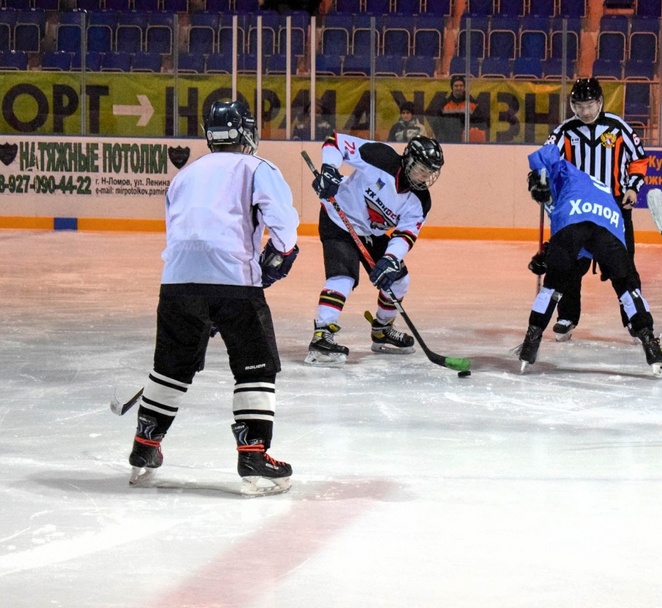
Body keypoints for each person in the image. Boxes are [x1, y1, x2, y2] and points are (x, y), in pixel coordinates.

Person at [126, 100, 300, 496]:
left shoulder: (184, 175)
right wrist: (281, 255)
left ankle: (144, 447)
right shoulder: (258, 168)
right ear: (245, 133)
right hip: (233, 279)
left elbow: (180, 229)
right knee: (256, 367)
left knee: (171, 366)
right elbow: (284, 226)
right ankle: (254, 455)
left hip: (177, 282)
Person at [518, 143, 662, 376]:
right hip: (610, 226)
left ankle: (530, 345)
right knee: (627, 287)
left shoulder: (565, 171)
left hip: (575, 221)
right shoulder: (595, 188)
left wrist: (539, 178)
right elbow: (589, 241)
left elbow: (545, 154)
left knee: (553, 285)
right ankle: (651, 346)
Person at [305, 133, 445, 366]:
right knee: (343, 277)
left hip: (371, 234)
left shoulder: (420, 200)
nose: (425, 177)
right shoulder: (380, 156)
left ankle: (382, 329)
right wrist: (329, 169)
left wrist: (391, 258)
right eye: (422, 169)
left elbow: (406, 233)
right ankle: (322, 335)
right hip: (339, 218)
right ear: (409, 160)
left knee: (399, 280)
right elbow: (335, 141)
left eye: (430, 173)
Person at [542, 77, 649, 342]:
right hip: (578, 207)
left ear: (600, 102)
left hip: (613, 206)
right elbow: (547, 158)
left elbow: (638, 159)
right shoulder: (565, 131)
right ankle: (567, 317)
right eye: (579, 105)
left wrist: (633, 188)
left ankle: (634, 321)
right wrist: (541, 179)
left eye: (590, 105)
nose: (585, 111)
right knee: (569, 264)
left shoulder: (617, 127)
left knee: (624, 266)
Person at [435, 75, 488, 143]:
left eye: (461, 85)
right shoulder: (444, 105)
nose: (459, 88)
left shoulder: (473, 104)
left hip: (467, 142)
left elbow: (480, 124)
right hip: (448, 142)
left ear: (464, 87)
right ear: (452, 87)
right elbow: (438, 125)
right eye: (456, 86)